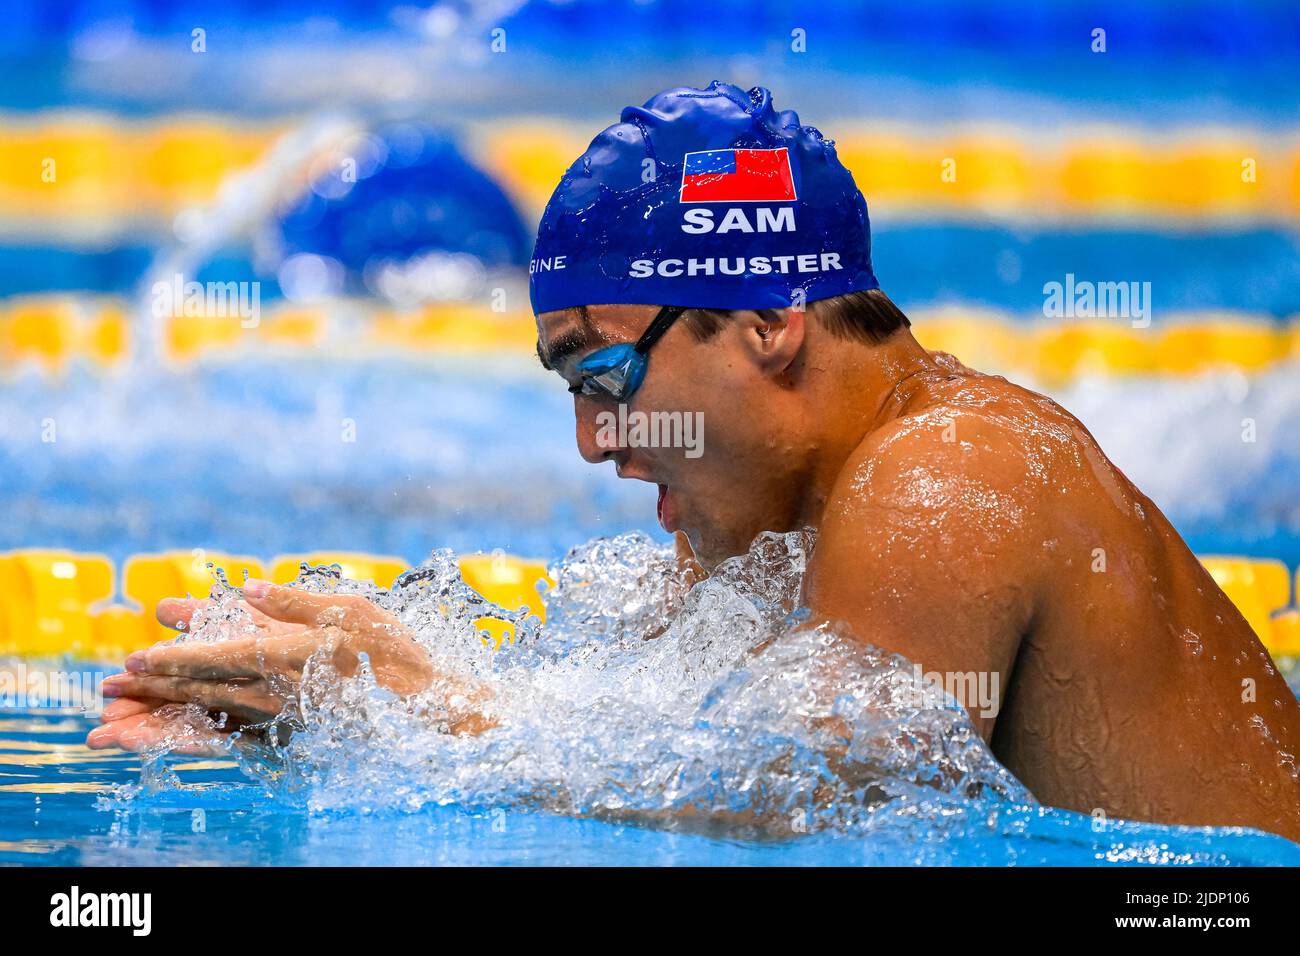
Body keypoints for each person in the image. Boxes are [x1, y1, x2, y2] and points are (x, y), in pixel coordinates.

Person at [89, 82, 1300, 841]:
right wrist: (332, 710)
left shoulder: (949, 476)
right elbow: (626, 737)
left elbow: (794, 796)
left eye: (604, 377)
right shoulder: (790, 516)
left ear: (767, 317)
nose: (595, 440)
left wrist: (417, 705)